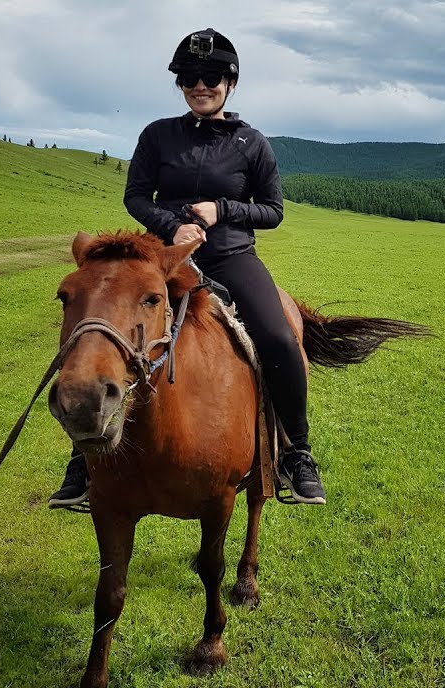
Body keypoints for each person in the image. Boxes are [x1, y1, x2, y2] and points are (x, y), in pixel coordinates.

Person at [48, 27, 326, 508]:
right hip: (162, 259)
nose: (201, 85)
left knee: (279, 337)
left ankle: (296, 454)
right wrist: (172, 226)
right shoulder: (158, 135)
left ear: (231, 83)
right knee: (102, 329)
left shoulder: (251, 143)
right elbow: (135, 195)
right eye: (189, 77)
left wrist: (224, 210)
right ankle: (83, 459)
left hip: (231, 256)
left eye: (212, 77)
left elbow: (273, 210)